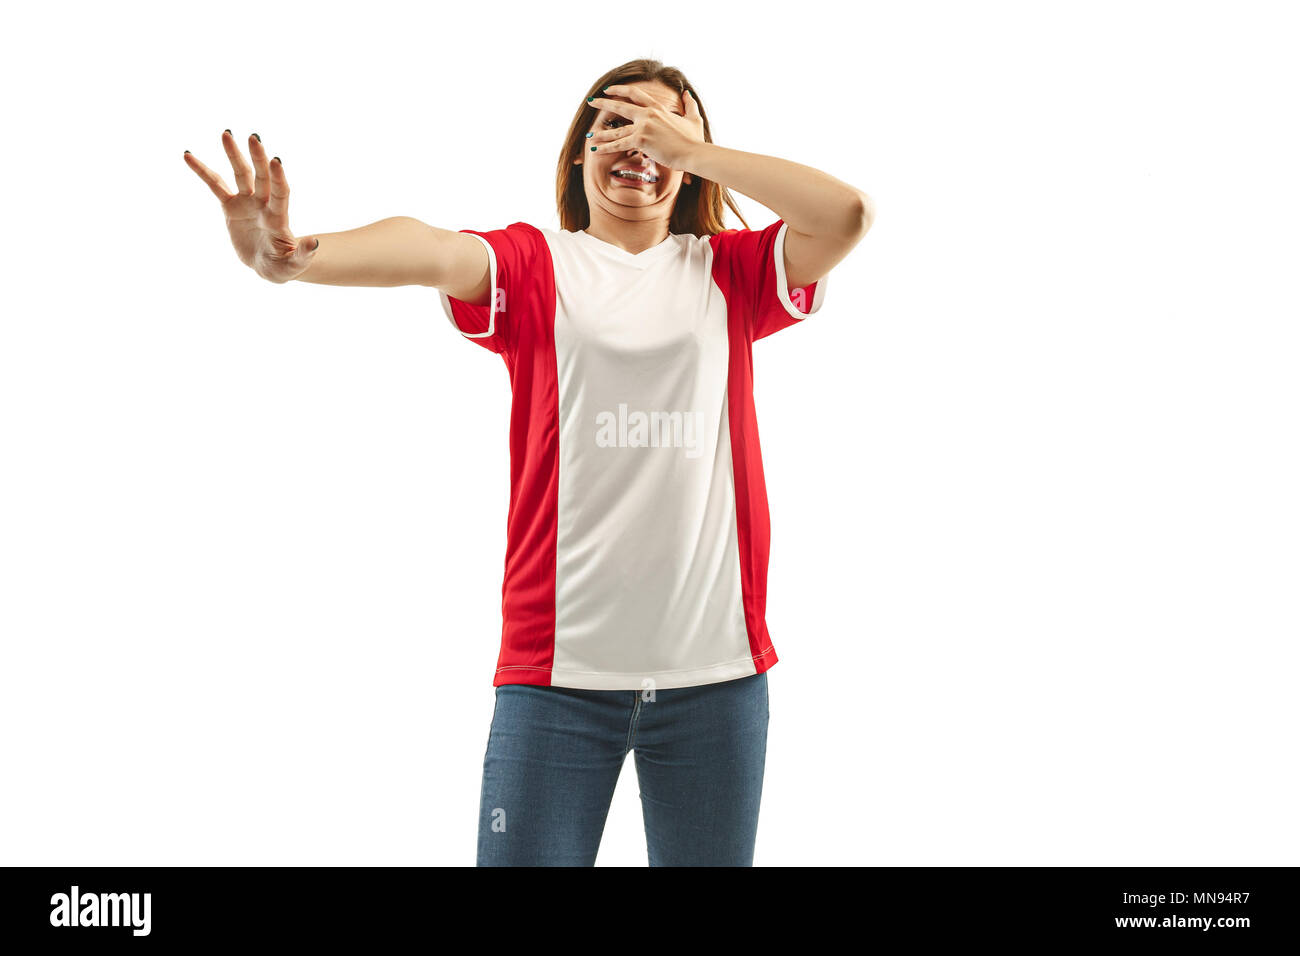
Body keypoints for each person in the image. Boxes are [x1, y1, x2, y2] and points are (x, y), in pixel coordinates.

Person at [184, 58, 875, 866]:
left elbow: (847, 214)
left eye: (661, 129)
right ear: (580, 151)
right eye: (613, 123)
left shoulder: (733, 272)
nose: (638, 143)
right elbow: (428, 247)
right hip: (555, 684)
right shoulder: (533, 265)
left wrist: (695, 150)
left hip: (717, 680)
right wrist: (293, 257)